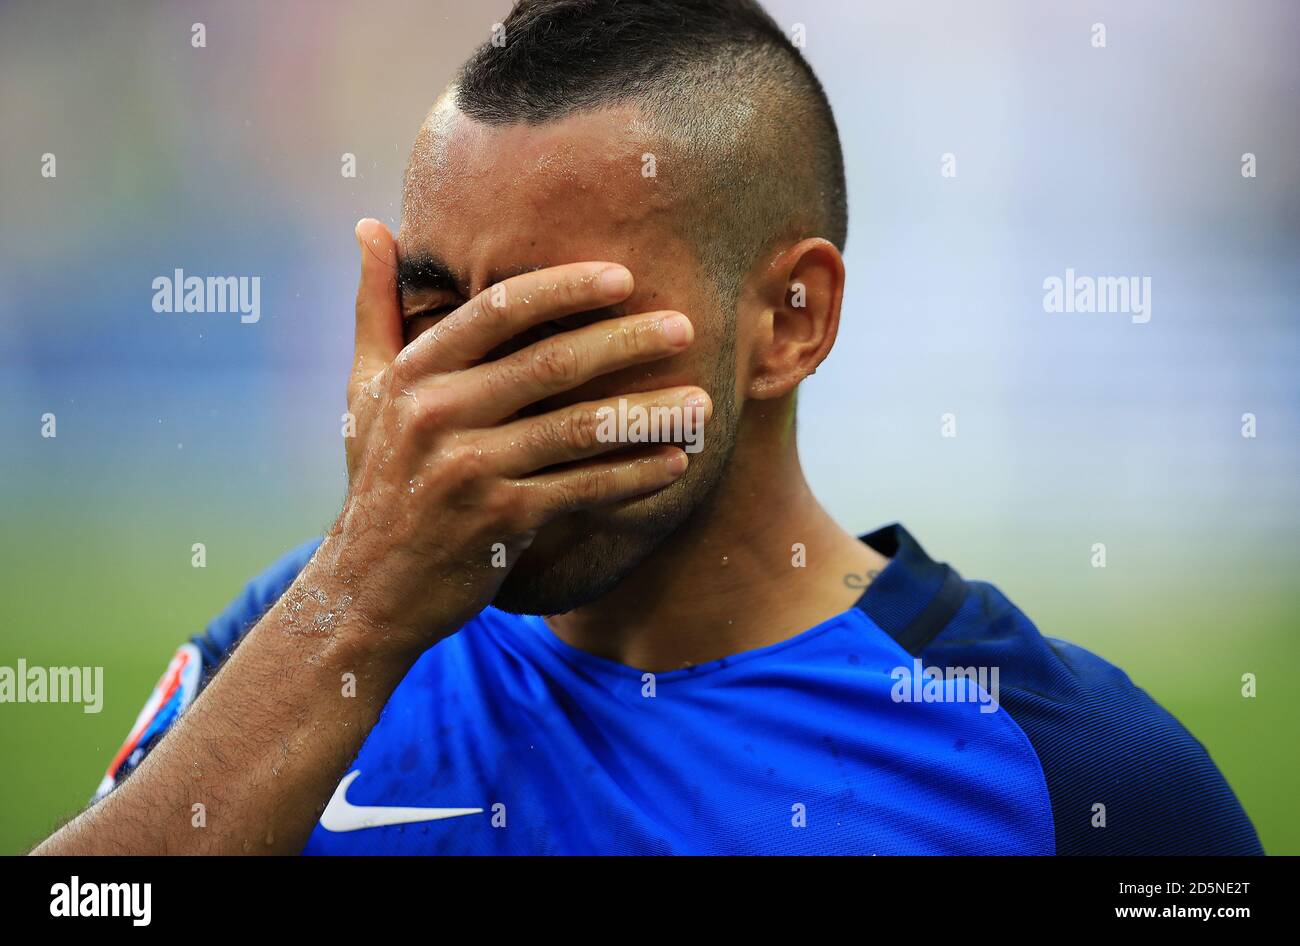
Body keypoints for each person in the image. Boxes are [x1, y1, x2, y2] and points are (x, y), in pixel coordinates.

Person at [35, 0, 1261, 855]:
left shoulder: (1068, 773)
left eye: (553, 321)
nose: (462, 393)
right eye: (433, 308)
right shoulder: (298, 648)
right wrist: (351, 604)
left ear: (790, 318)